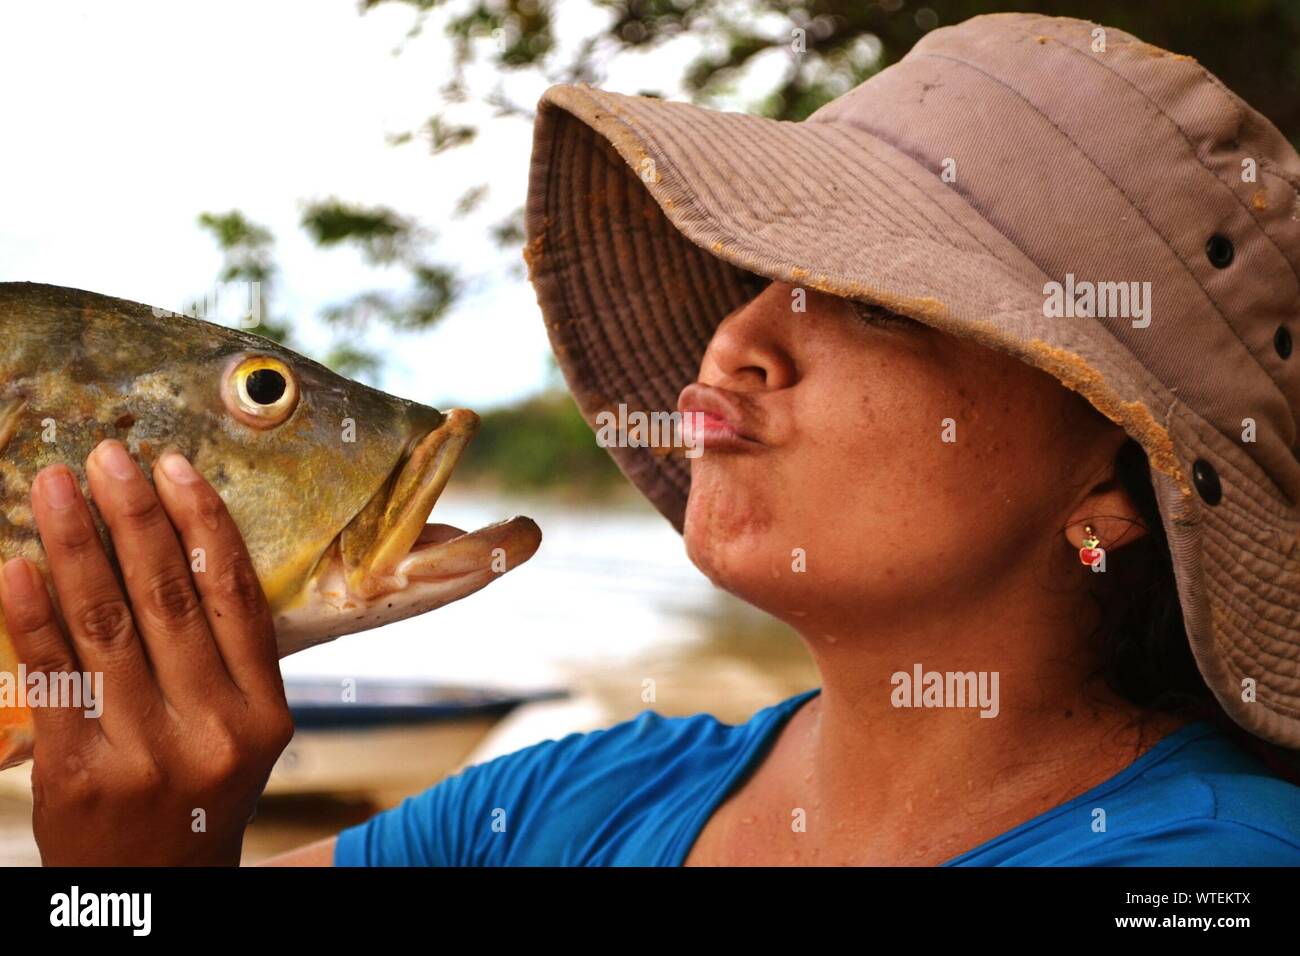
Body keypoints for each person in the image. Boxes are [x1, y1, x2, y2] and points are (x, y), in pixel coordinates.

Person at [5, 12, 1300, 866]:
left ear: (1117, 486)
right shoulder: (550, 811)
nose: (739, 340)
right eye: (755, 271)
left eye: (872, 305)